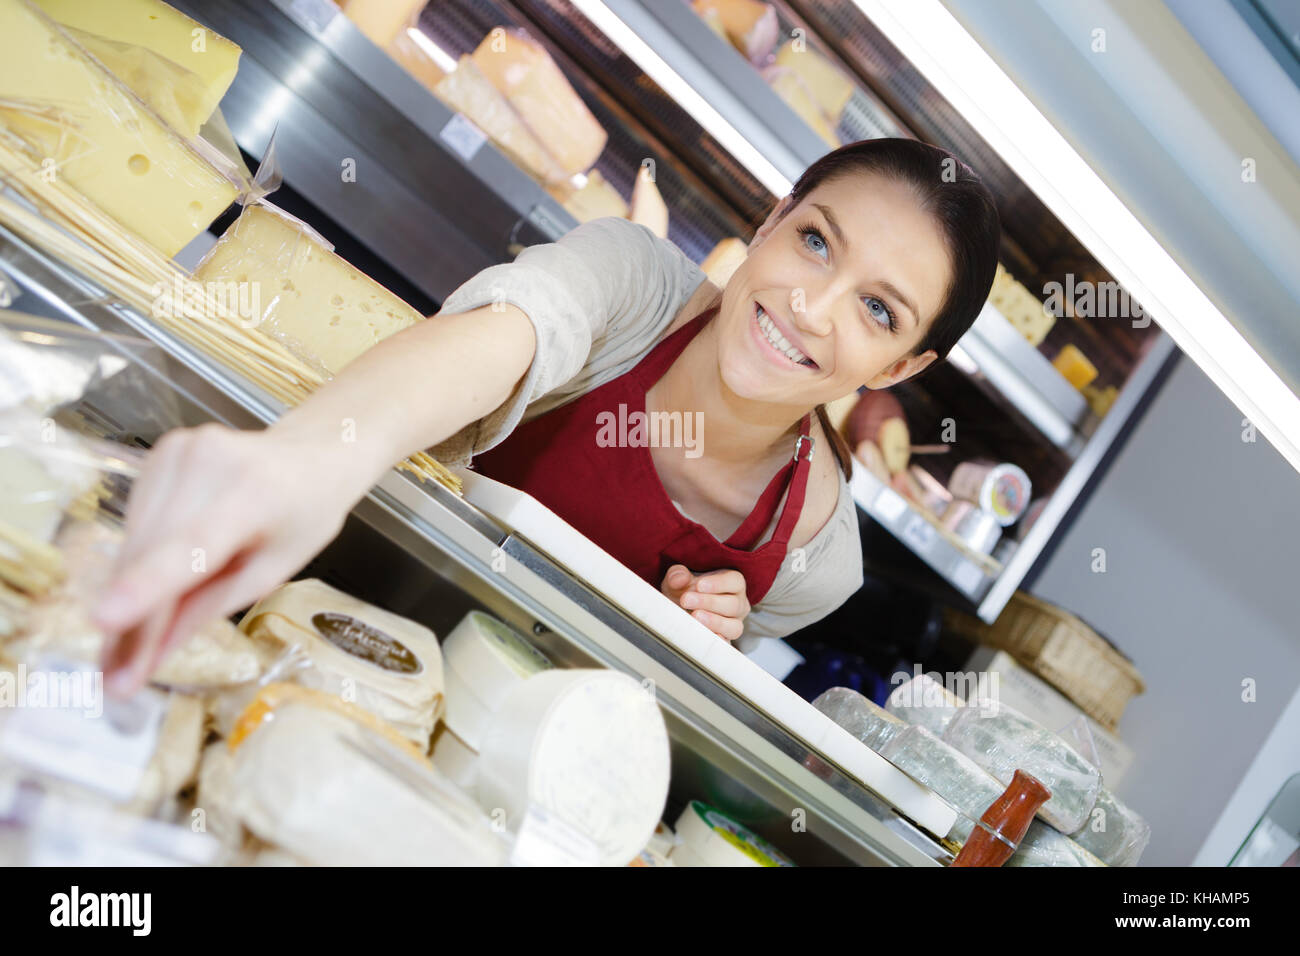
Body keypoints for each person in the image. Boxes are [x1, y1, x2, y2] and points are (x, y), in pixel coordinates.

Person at [93, 138, 1000, 695]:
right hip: (282, 603)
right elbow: (506, 334)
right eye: (814, 241)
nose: (812, 307)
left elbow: (644, 711)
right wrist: (314, 461)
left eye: (878, 311)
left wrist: (697, 646)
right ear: (769, 222)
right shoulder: (631, 284)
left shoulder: (815, 560)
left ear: (904, 364)